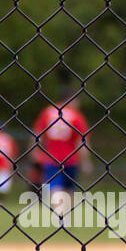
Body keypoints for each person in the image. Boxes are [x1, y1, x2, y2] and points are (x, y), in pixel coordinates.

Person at [33, 89, 90, 223]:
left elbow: (38, 134)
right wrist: (86, 161)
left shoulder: (48, 112)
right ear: (70, 99)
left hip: (51, 157)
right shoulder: (76, 116)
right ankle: (65, 216)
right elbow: (81, 141)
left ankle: (60, 215)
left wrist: (36, 152)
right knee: (69, 188)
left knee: (55, 186)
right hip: (71, 158)